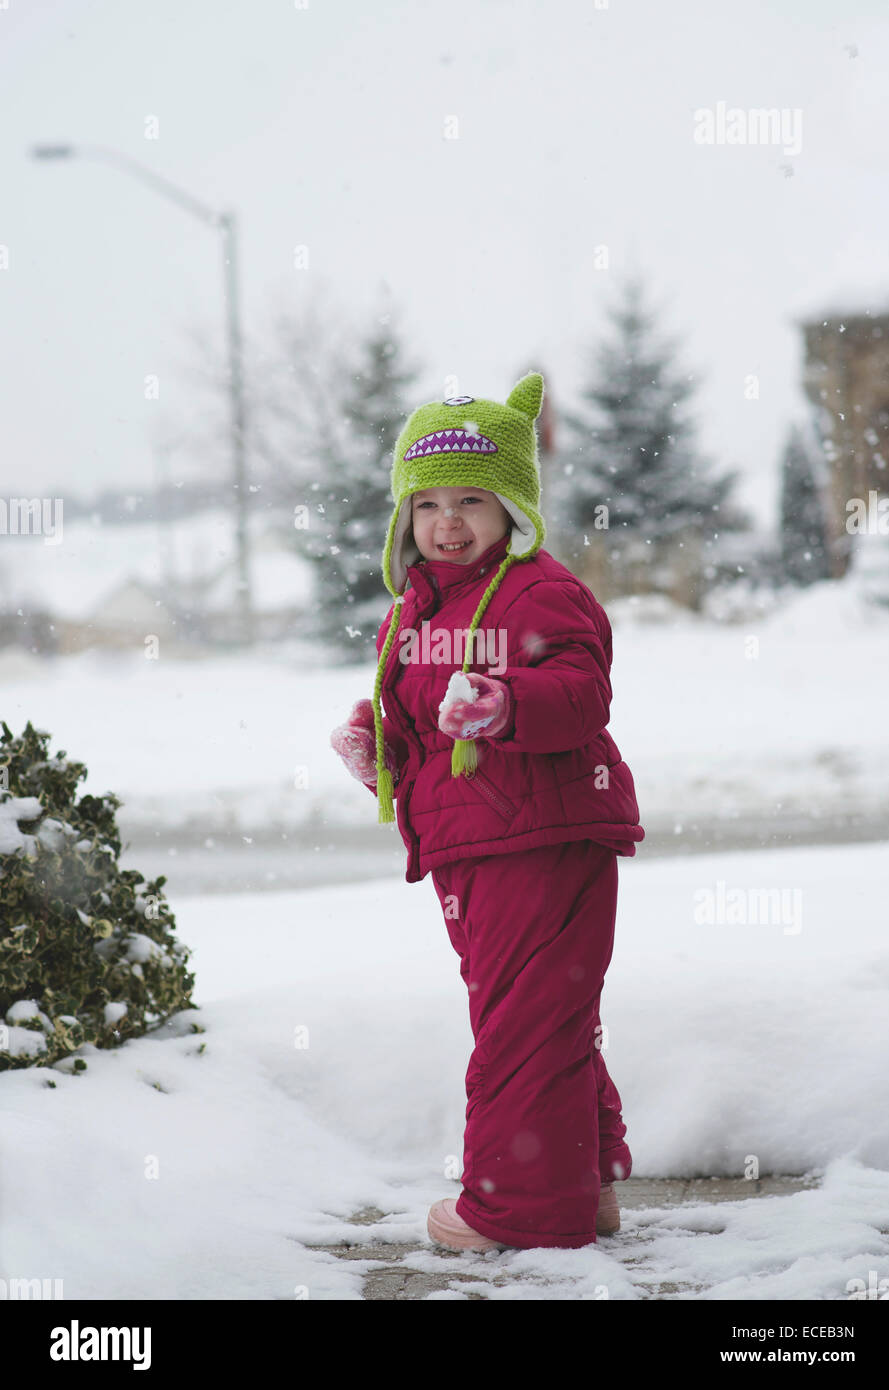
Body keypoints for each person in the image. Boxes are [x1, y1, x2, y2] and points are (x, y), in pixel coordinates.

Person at [330, 372, 644, 1252]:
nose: (447, 521)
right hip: (478, 844)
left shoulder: (535, 593)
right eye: (427, 503)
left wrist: (507, 705)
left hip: (543, 837)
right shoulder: (421, 605)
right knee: (536, 1013)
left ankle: (516, 1207)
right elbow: (434, 731)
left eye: (473, 498)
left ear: (514, 507)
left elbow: (579, 693)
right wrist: (380, 754)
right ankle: (581, 1190)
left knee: (522, 1024)